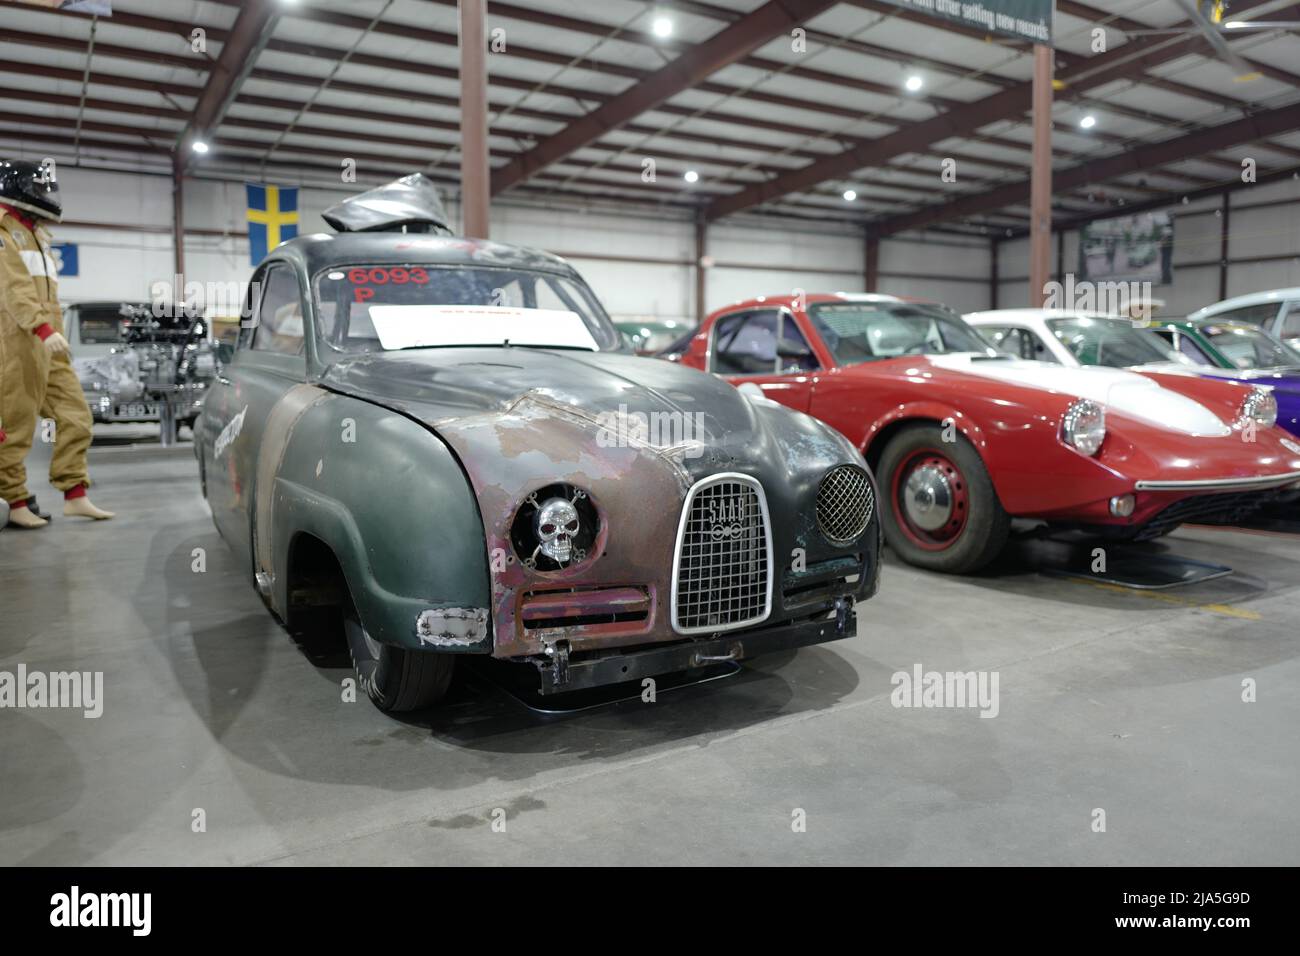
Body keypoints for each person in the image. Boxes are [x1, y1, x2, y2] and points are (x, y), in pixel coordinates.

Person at [0, 158, 112, 528]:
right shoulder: (3, 230)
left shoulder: (36, 233)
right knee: (15, 427)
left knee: (76, 416)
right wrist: (41, 329)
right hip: (18, 340)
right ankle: (14, 501)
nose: (45, 195)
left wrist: (51, 333)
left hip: (49, 341)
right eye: (38, 188)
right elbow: (13, 288)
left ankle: (74, 494)